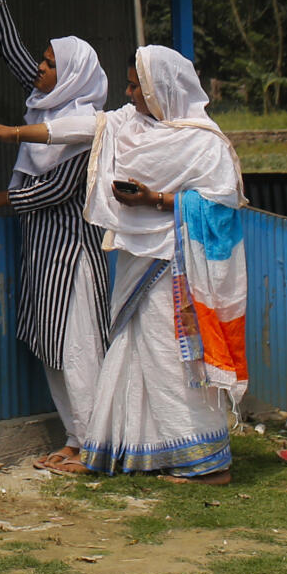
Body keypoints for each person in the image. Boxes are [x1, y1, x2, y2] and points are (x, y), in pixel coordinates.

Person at [72, 44, 248, 484]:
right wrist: (13, 133)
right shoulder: (129, 127)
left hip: (178, 270)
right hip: (140, 258)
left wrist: (155, 200)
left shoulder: (205, 143)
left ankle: (209, 464)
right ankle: (149, 452)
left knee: (174, 359)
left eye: (136, 86)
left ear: (161, 89)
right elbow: (75, 129)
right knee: (138, 353)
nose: (129, 93)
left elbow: (222, 207)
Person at [0, 0, 113, 470]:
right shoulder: (46, 109)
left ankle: (94, 443)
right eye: (46, 61)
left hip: (72, 256)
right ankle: (75, 439)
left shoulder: (87, 129)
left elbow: (58, 190)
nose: (42, 69)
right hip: (42, 252)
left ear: (71, 76)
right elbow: (16, 58)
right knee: (53, 348)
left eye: (51, 64)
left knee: (78, 349)